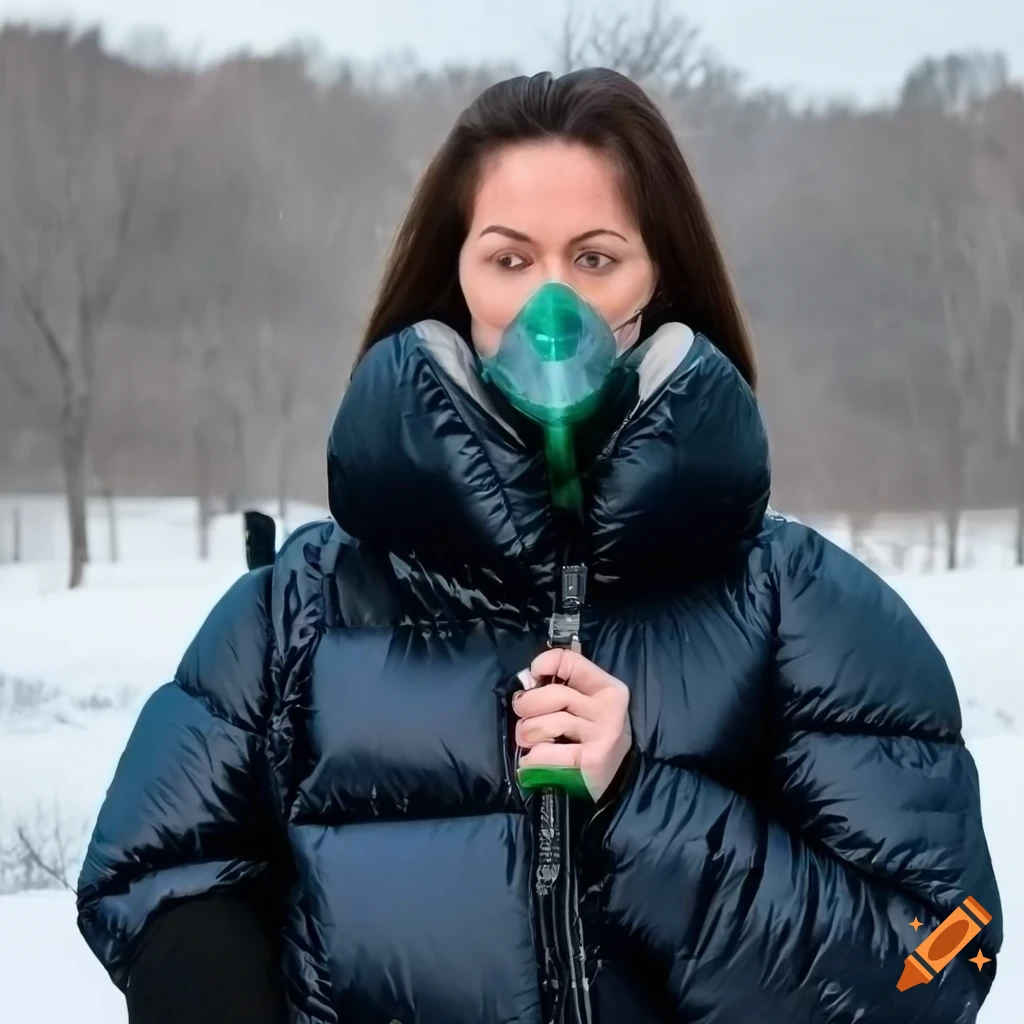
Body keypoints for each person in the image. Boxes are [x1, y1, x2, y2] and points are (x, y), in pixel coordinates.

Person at [76, 68, 1002, 1024]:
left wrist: (640, 806)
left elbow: (938, 961)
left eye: (595, 259)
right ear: (456, 279)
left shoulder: (807, 609)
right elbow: (155, 879)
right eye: (510, 260)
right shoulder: (296, 609)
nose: (550, 310)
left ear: (660, 279)